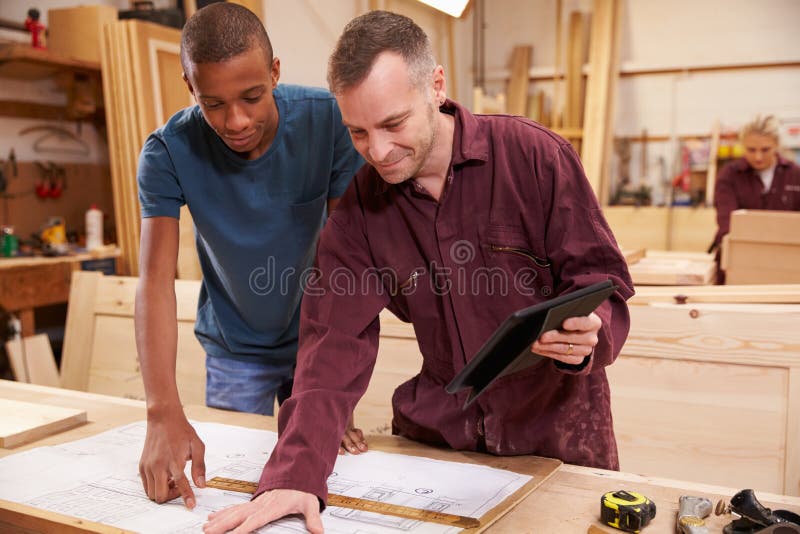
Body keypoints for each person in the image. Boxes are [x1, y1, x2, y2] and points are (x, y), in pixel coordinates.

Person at [203, 10, 634, 534]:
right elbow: (331, 344)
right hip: (444, 443)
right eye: (357, 132)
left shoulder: (536, 157)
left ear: (437, 85)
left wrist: (592, 333)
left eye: (392, 124)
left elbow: (602, 284)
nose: (378, 152)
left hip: (557, 438)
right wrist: (295, 474)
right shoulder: (361, 211)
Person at [135, 3, 365, 511]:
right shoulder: (167, 153)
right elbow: (154, 281)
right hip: (234, 349)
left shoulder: (328, 122)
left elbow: (347, 263)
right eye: (213, 103)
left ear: (275, 72)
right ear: (190, 88)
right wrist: (161, 412)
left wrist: (330, 384)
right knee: (229, 486)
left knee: (333, 482)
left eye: (252, 97)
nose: (236, 121)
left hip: (314, 339)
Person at [713, 114, 800, 282]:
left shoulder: (795, 175)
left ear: (776, 145)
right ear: (743, 145)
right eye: (751, 150)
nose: (758, 157)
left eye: (765, 149)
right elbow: (727, 222)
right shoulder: (729, 175)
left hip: (787, 266)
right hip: (739, 262)